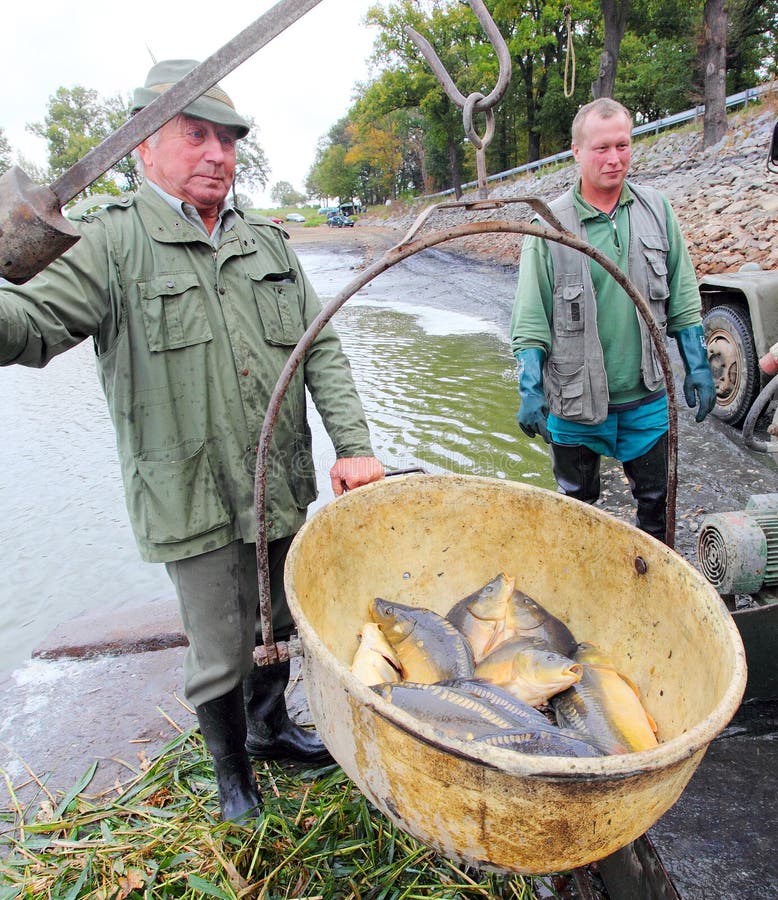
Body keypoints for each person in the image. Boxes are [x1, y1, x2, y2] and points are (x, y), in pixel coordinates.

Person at [0, 60, 384, 823]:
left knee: (279, 619)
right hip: (190, 496)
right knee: (219, 646)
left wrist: (354, 442)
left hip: (277, 481)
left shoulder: (268, 245)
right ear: (142, 149)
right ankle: (232, 773)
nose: (217, 154)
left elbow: (322, 352)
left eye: (229, 140)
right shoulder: (110, 245)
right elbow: (28, 329)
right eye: (196, 135)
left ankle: (272, 726)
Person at [511, 97, 715, 544]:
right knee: (575, 514)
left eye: (622, 145)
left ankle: (650, 599)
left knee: (657, 512)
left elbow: (681, 296)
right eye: (601, 148)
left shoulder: (657, 211)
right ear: (577, 152)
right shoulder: (547, 226)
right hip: (574, 407)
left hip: (646, 400)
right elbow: (530, 319)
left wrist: (697, 361)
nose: (614, 158)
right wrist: (529, 385)